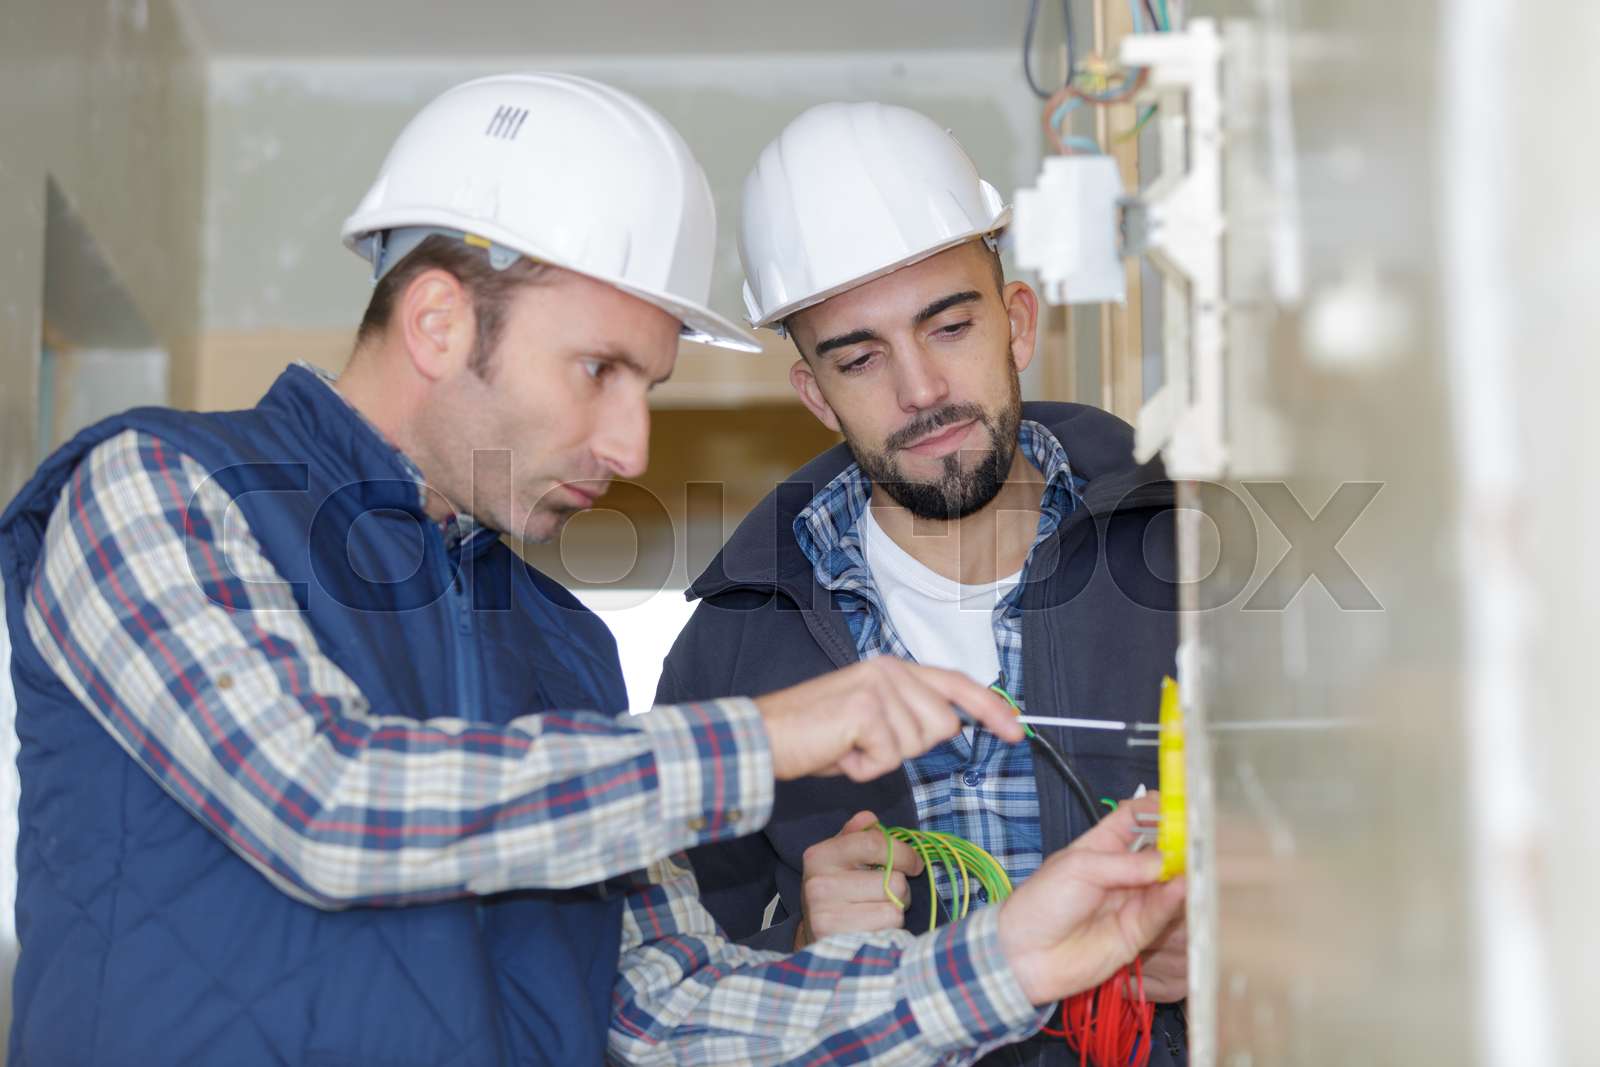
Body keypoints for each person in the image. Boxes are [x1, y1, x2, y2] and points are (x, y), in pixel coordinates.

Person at [0, 75, 1182, 1066]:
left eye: (648, 386)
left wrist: (1013, 956)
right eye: (599, 371)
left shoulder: (557, 643)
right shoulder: (156, 492)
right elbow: (328, 799)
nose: (631, 450)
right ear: (438, 323)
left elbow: (668, 1002)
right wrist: (769, 737)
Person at [661, 102, 1189, 1065]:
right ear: (817, 394)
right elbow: (667, 996)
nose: (920, 390)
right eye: (860, 358)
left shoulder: (1190, 552)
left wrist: (1240, 939)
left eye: (948, 326)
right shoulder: (733, 647)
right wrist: (806, 955)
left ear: (1017, 322)